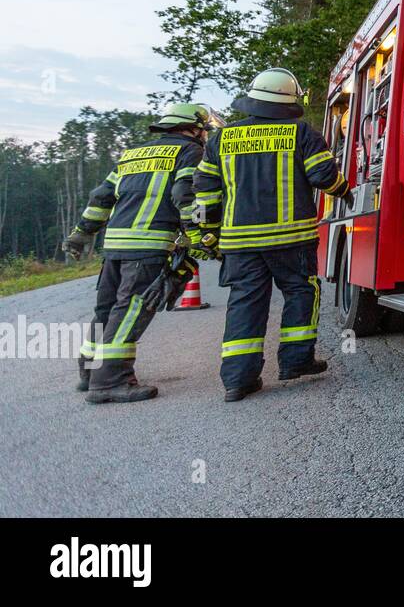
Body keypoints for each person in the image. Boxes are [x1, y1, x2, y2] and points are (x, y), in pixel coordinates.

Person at [193, 68, 351, 402]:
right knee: (300, 293)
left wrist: (207, 232)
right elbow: (323, 176)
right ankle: (296, 362)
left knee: (245, 302)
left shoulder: (221, 139)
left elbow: (204, 191)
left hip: (240, 244)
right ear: (290, 100)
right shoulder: (301, 133)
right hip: (291, 240)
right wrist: (345, 190)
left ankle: (238, 380)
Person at [63, 103, 219, 403]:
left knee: (107, 309)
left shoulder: (131, 154)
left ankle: (89, 371)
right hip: (148, 246)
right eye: (203, 131)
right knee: (132, 310)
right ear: (193, 129)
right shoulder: (189, 152)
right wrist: (199, 236)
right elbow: (184, 195)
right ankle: (109, 382)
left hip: (115, 246)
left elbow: (101, 197)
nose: (203, 136)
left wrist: (82, 233)